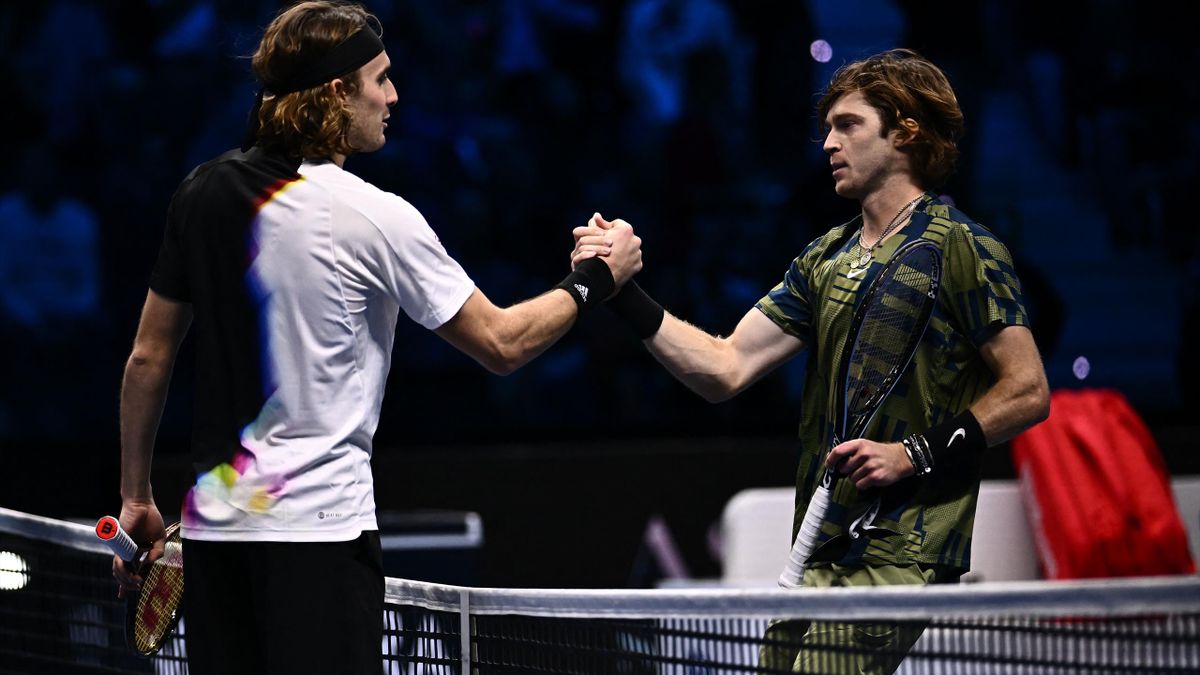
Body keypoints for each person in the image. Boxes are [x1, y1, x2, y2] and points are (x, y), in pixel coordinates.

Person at [110, 2, 642, 674]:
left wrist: (136, 498)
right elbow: (504, 344)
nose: (393, 96)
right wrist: (597, 278)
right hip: (320, 541)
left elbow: (147, 357)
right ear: (337, 92)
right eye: (380, 79)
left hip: (218, 541)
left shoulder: (199, 194)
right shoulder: (373, 214)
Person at [574, 48, 1049, 674]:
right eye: (827, 127)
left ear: (904, 129)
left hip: (901, 544)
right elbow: (724, 368)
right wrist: (621, 293)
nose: (827, 142)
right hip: (820, 539)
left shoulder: (964, 248)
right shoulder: (824, 259)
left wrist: (913, 454)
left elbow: (1027, 390)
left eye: (847, 124)